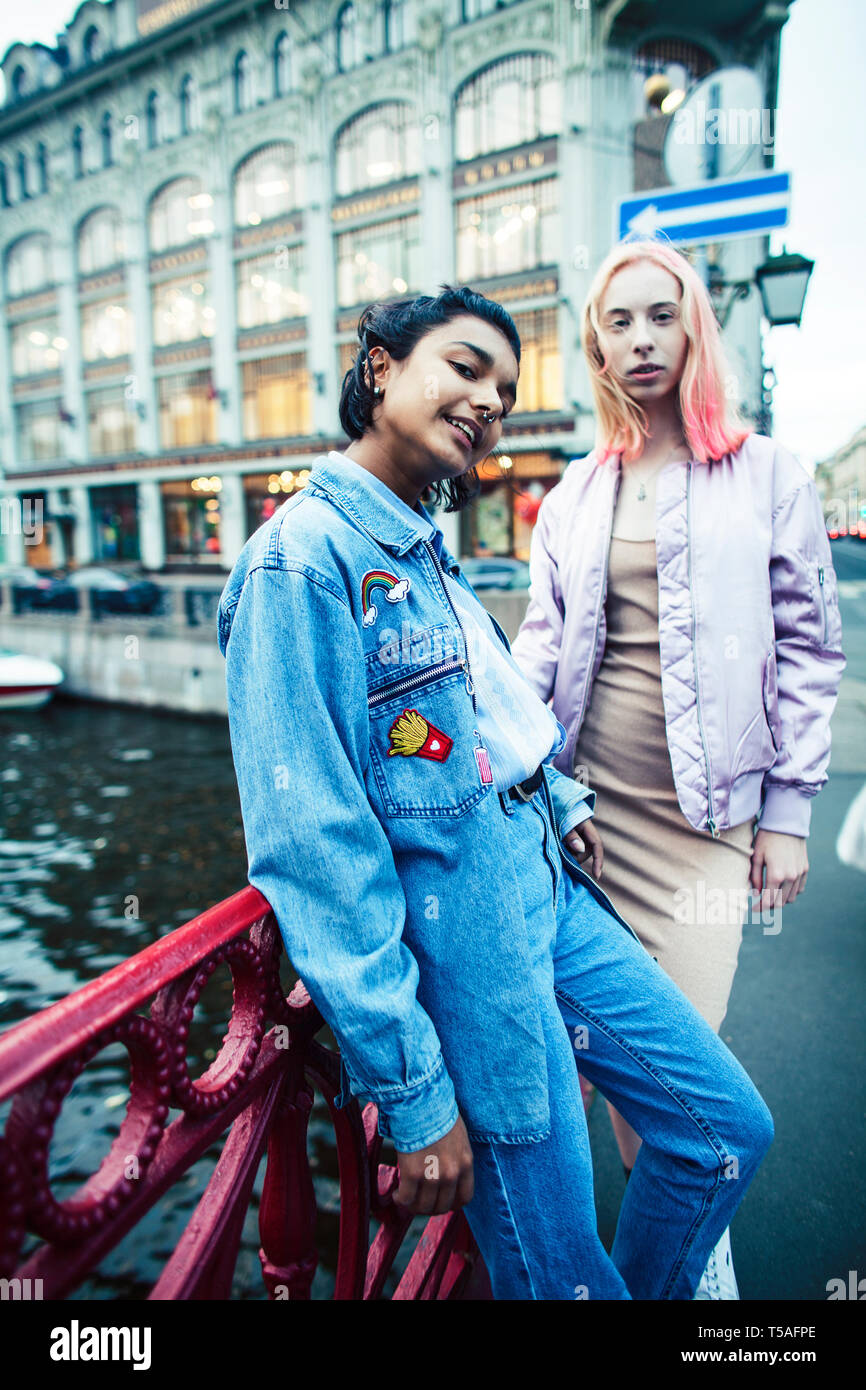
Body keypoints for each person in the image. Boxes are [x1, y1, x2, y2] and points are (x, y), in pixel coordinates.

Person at [217, 283, 774, 1300]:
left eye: (505, 392)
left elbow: (485, 724)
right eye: (464, 367)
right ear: (378, 364)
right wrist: (416, 1094)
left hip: (548, 882)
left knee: (722, 1131)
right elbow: (315, 853)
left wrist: (558, 806)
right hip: (472, 945)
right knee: (563, 1274)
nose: (487, 402)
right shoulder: (299, 564)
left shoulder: (420, 543)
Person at [511, 238, 845, 1298]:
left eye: (660, 316)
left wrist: (786, 813)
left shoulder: (767, 472)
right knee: (634, 1089)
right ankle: (699, 1280)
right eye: (618, 323)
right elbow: (537, 642)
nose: (640, 338)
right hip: (585, 824)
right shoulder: (572, 491)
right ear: (595, 346)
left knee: (685, 1078)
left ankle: (695, 1280)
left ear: (693, 326)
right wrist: (498, 756)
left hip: (702, 833)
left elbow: (809, 648)